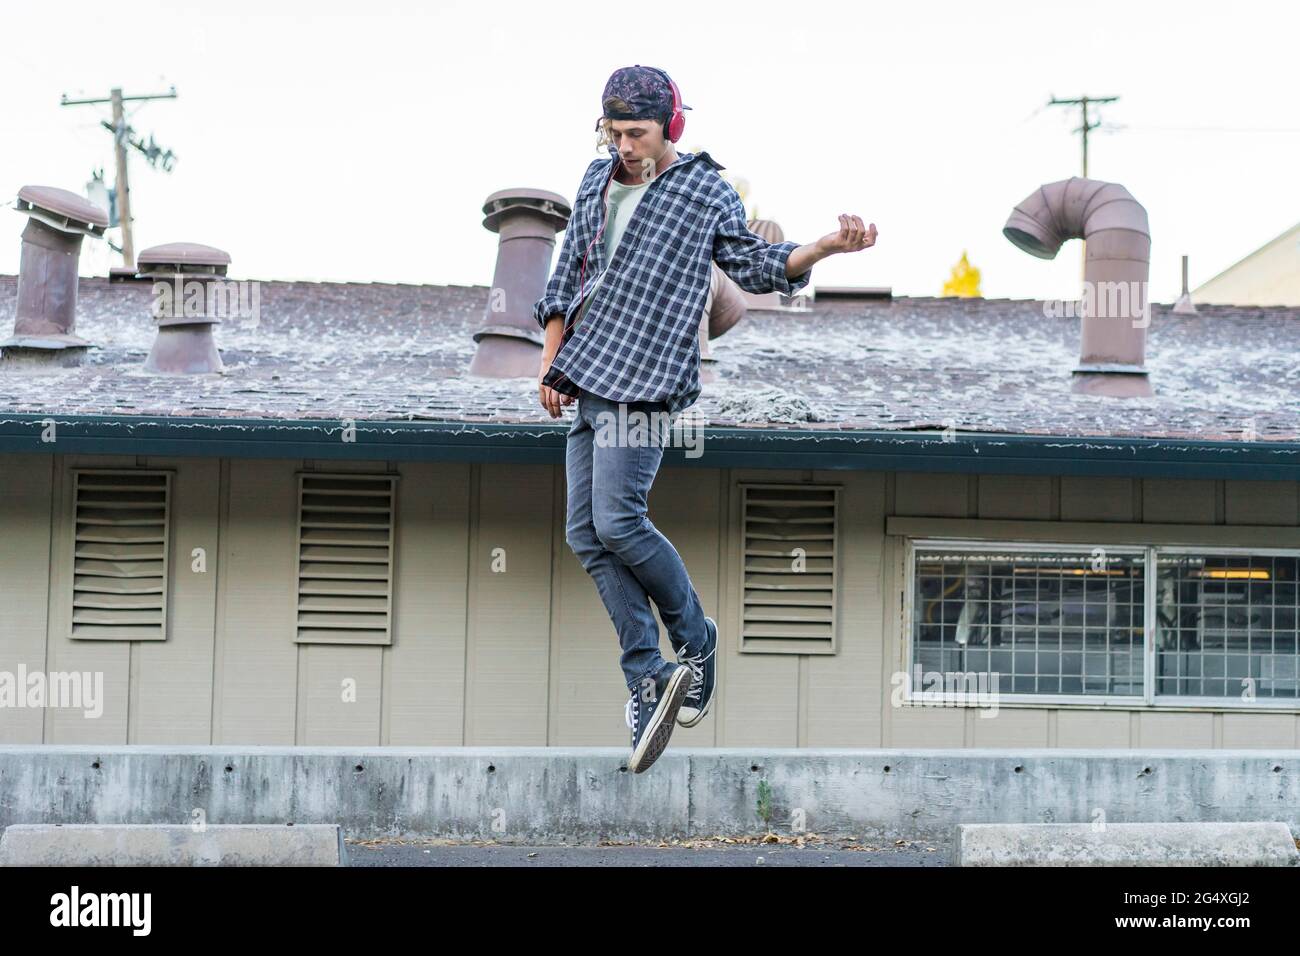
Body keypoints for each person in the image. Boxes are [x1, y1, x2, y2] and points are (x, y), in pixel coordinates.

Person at [533, 65, 878, 773]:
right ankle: (646, 674)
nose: (626, 146)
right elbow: (566, 275)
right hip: (587, 373)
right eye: (615, 132)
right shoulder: (596, 181)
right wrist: (550, 361)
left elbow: (753, 264)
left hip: (645, 375)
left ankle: (696, 638)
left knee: (619, 520)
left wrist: (820, 248)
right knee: (586, 535)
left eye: (639, 133)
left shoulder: (700, 190)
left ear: (672, 127)